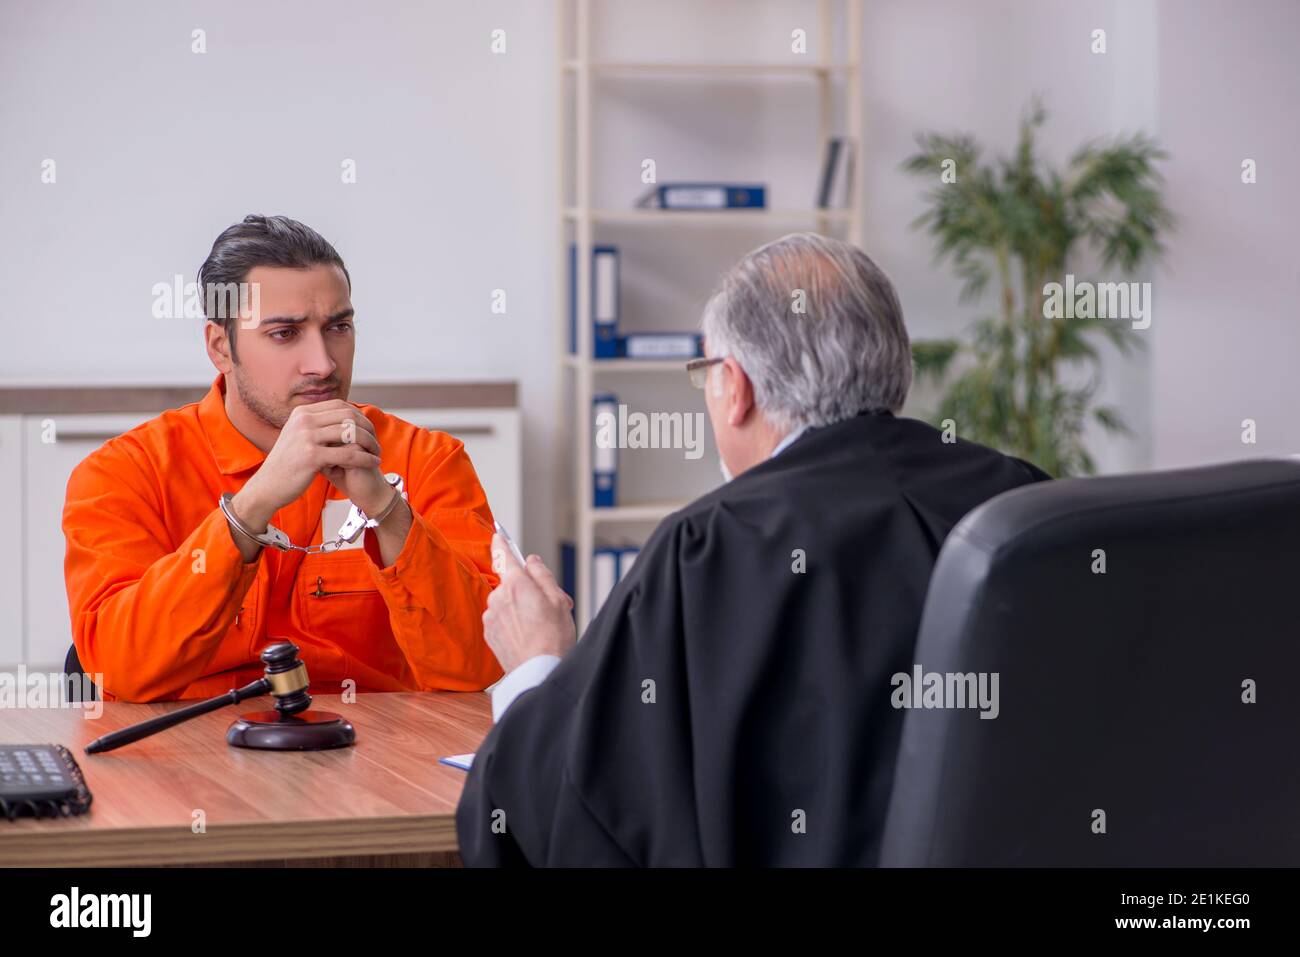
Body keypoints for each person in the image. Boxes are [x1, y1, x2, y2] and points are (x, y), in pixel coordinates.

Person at [457, 232, 1051, 866]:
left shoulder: (710, 549)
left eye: (707, 374)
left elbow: (561, 817)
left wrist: (535, 668)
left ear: (733, 388)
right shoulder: (1026, 507)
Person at [62, 214, 502, 702]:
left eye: (338, 327)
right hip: (191, 750)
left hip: (373, 755)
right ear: (220, 347)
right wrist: (251, 507)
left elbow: (477, 666)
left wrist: (387, 507)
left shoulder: (427, 460)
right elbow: (117, 672)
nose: (323, 363)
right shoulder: (123, 473)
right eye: (284, 333)